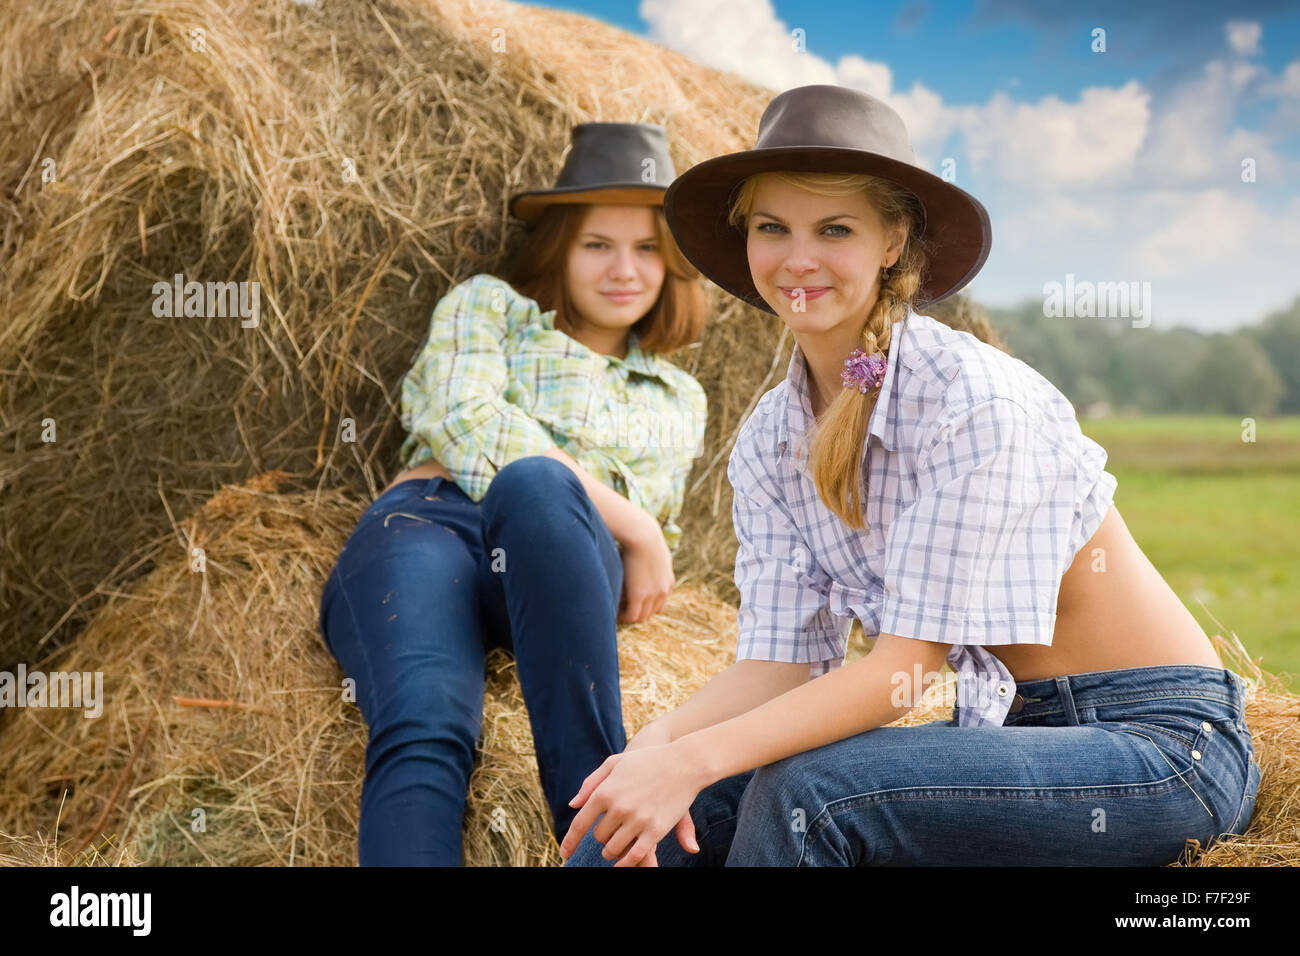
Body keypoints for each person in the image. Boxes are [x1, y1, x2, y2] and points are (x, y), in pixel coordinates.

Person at [559, 85, 1261, 867]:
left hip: (1158, 749)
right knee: (625, 823)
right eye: (771, 228)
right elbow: (781, 664)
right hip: (1021, 737)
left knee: (808, 793)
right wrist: (655, 751)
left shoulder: (969, 399)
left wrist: (693, 758)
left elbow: (904, 672)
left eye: (835, 229)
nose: (798, 259)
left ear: (893, 239)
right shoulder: (769, 441)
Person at [318, 123, 709, 866]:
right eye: (598, 244)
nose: (624, 268)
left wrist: (604, 519)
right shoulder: (489, 308)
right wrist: (637, 525)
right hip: (432, 529)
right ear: (559, 248)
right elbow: (463, 416)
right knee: (424, 719)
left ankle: (593, 842)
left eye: (647, 247)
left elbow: (612, 549)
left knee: (537, 489)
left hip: (561, 553)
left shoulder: (677, 396)